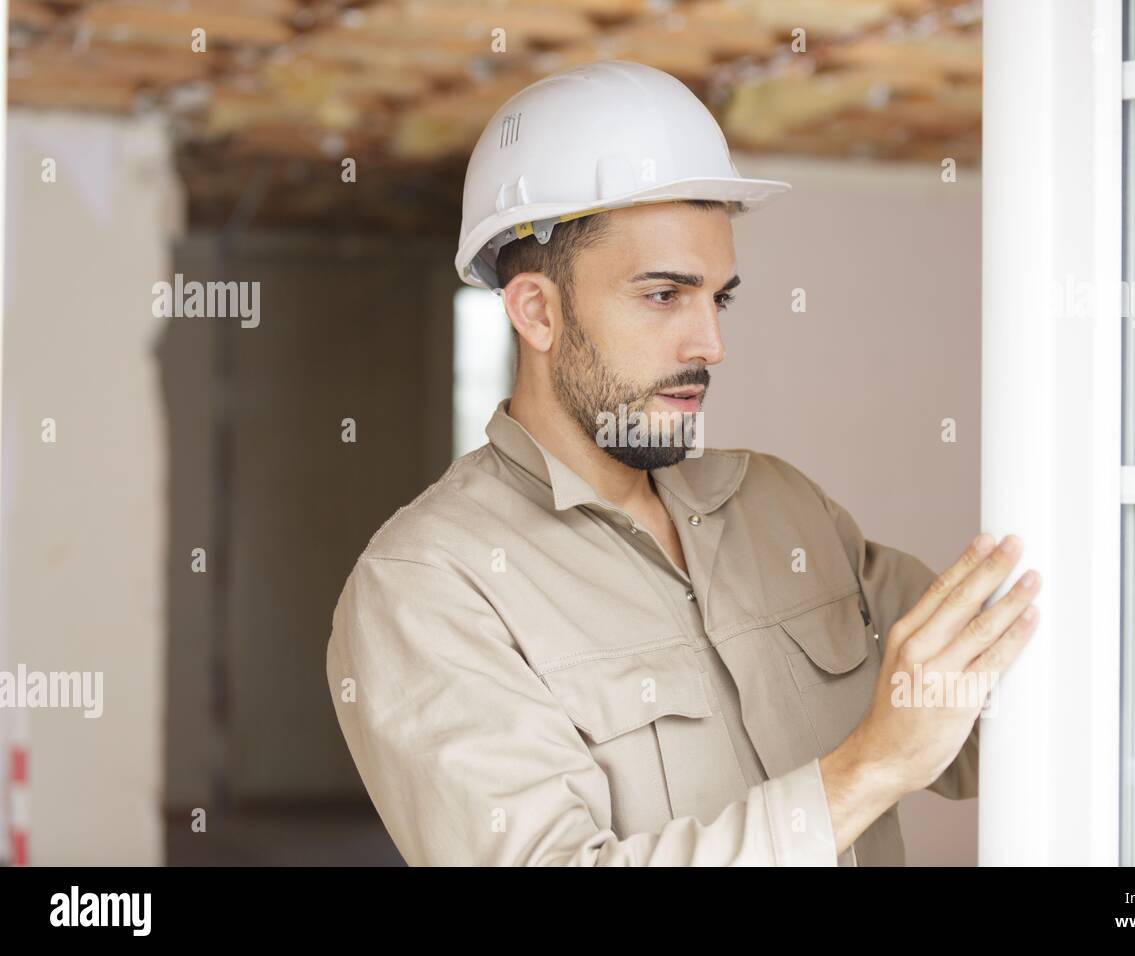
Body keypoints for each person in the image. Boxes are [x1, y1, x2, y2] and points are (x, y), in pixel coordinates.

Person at [325, 60, 1041, 866]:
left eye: (719, 297)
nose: (712, 345)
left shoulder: (781, 507)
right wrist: (870, 768)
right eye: (665, 296)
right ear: (536, 310)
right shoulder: (427, 585)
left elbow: (998, 712)